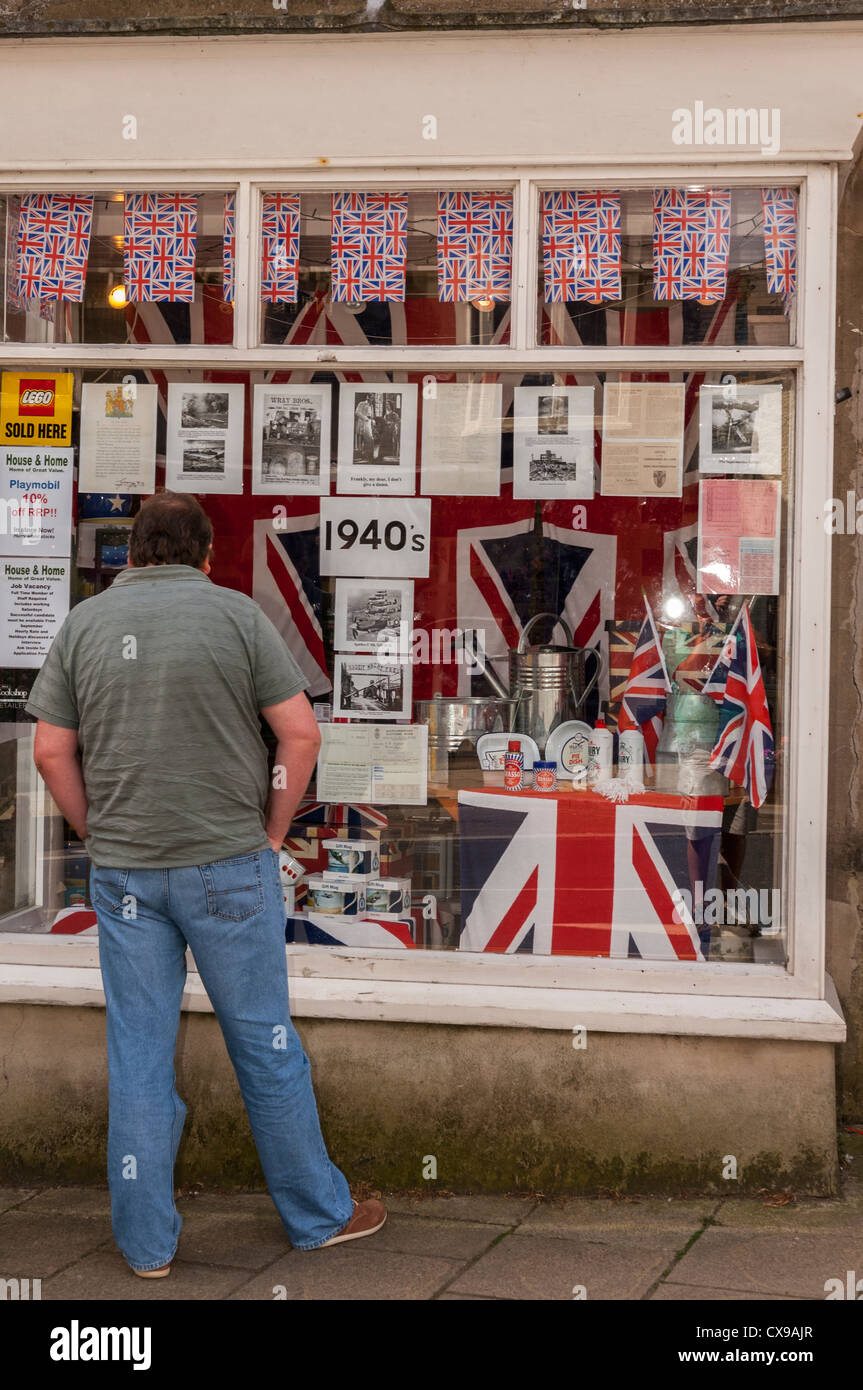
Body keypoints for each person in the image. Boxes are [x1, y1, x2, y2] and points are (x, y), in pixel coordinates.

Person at [26, 490, 386, 1278]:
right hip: (229, 866)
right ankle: (318, 1215)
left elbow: (50, 751)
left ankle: (147, 1245)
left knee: (140, 1055)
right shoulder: (235, 616)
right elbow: (301, 732)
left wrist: (94, 832)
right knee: (265, 1045)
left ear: (130, 553)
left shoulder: (83, 624)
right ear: (206, 556)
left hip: (125, 875)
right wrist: (271, 826)